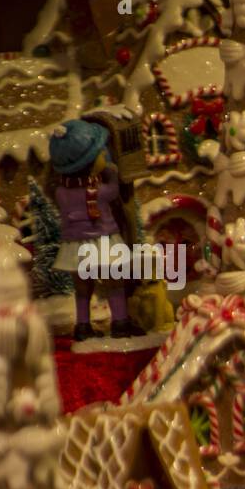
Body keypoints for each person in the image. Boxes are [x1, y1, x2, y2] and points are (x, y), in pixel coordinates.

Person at [48, 119, 140, 341]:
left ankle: (82, 325)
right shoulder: (100, 190)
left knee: (82, 287)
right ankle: (120, 322)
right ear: (87, 162)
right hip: (103, 242)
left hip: (75, 249)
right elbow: (114, 190)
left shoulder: (62, 192)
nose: (105, 155)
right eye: (101, 153)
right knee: (113, 282)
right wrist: (111, 171)